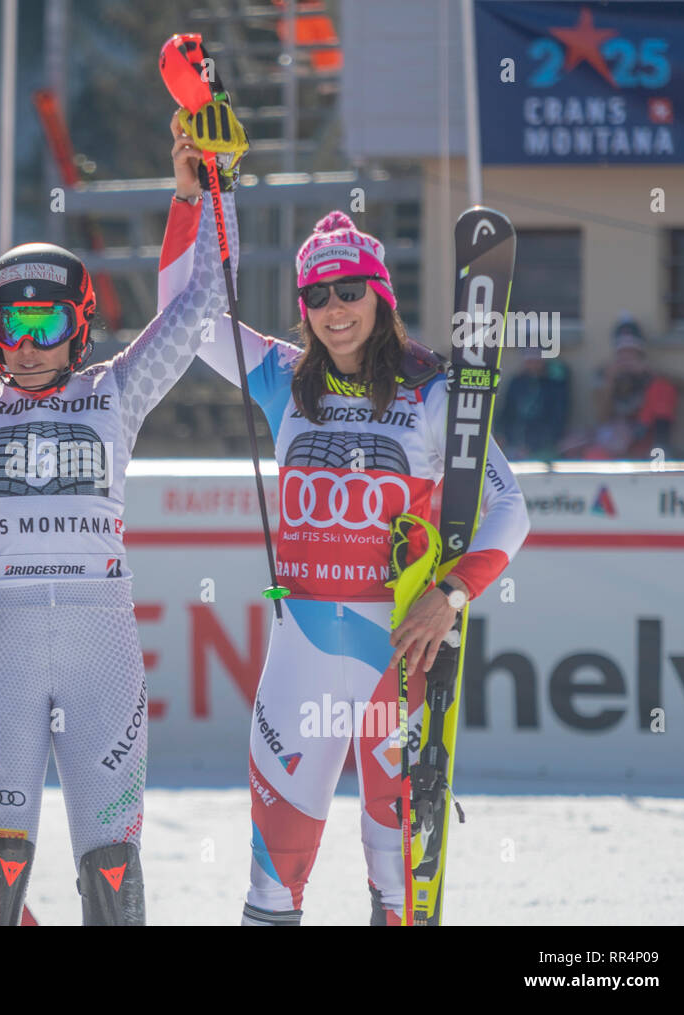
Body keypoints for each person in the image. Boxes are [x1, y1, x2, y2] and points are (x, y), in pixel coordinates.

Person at [0, 104, 240, 925]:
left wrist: (212, 185)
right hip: (0, 641)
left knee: (111, 861)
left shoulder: (116, 390)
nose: (28, 344)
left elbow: (204, 304)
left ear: (79, 328)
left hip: (102, 642)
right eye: (12, 324)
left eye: (47, 323)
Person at [158, 196, 530, 925]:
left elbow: (510, 508)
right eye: (318, 295)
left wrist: (451, 593)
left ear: (380, 295)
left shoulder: (434, 392)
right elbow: (180, 314)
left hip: (401, 652)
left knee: (399, 883)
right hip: (301, 652)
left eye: (351, 290)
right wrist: (191, 196)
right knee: (272, 882)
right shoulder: (281, 375)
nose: (335, 309)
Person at [576, 316, 678, 459]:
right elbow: (601, 417)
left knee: (662, 387)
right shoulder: (604, 373)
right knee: (594, 455)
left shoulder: (649, 373)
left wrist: (651, 373)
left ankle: (661, 448)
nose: (627, 357)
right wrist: (609, 382)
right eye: (622, 352)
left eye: (631, 352)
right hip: (615, 431)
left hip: (643, 430)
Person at [495, 344, 571, 459]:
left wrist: (535, 445)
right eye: (529, 361)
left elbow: (557, 417)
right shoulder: (516, 382)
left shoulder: (555, 385)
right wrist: (501, 435)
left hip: (543, 446)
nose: (533, 364)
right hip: (514, 443)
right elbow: (506, 411)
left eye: (536, 360)